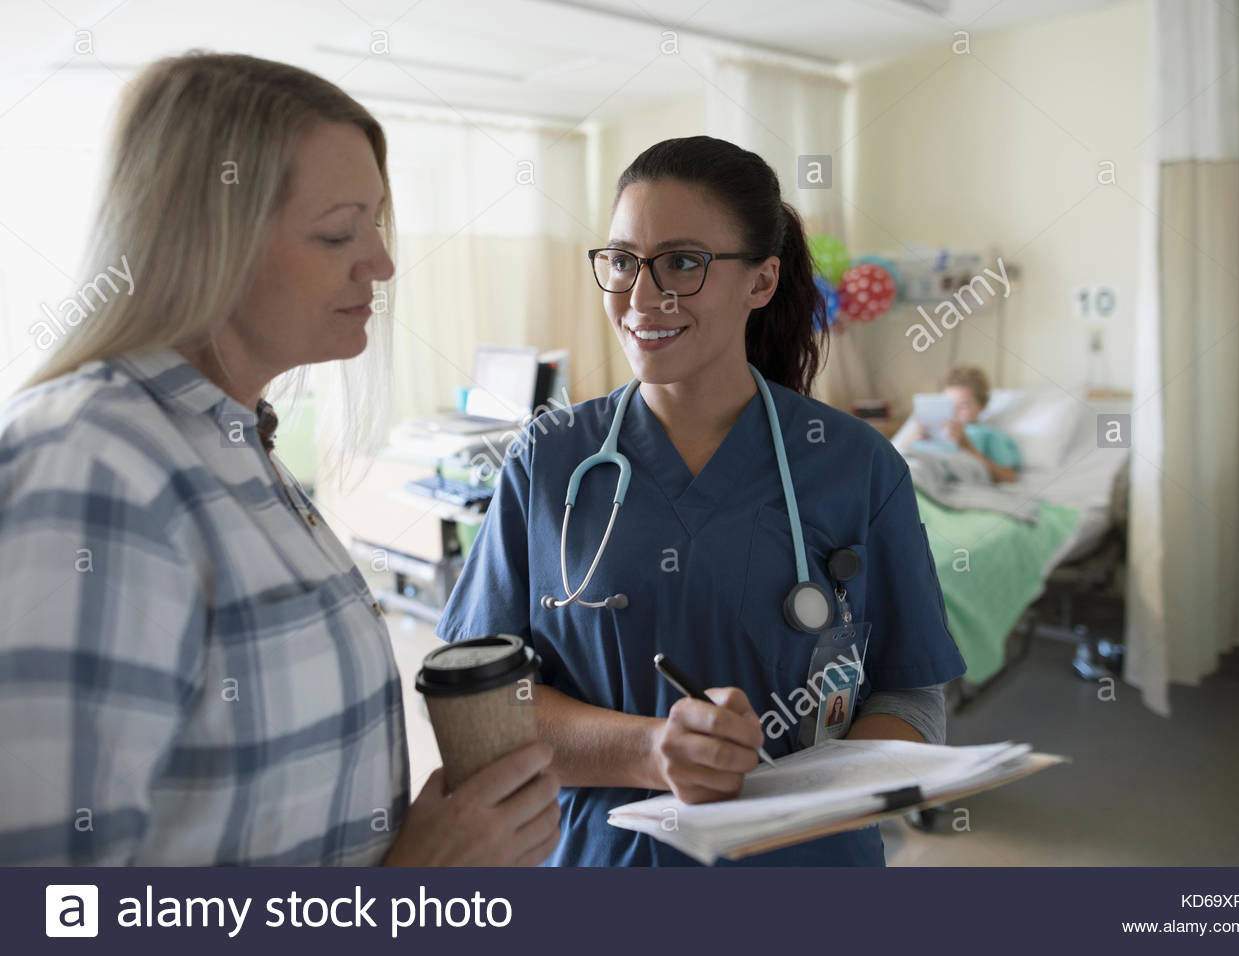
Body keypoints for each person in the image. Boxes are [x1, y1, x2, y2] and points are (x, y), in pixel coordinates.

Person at [0, 52, 559, 866]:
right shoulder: (93, 467)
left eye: (374, 225)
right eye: (338, 232)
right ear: (205, 242)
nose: (382, 264)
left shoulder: (234, 448)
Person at [436, 136, 966, 866]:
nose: (643, 296)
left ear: (761, 280)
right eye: (623, 261)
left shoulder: (856, 466)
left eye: (684, 262)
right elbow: (482, 710)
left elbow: (910, 701)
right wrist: (651, 752)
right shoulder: (549, 461)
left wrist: (796, 805)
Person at [895, 365, 1021, 483]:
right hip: (918, 467)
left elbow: (1009, 477)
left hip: (952, 472)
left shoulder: (989, 435)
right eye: (948, 404)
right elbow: (898, 458)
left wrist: (967, 447)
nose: (954, 412)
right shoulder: (927, 431)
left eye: (963, 405)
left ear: (982, 405)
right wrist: (911, 439)